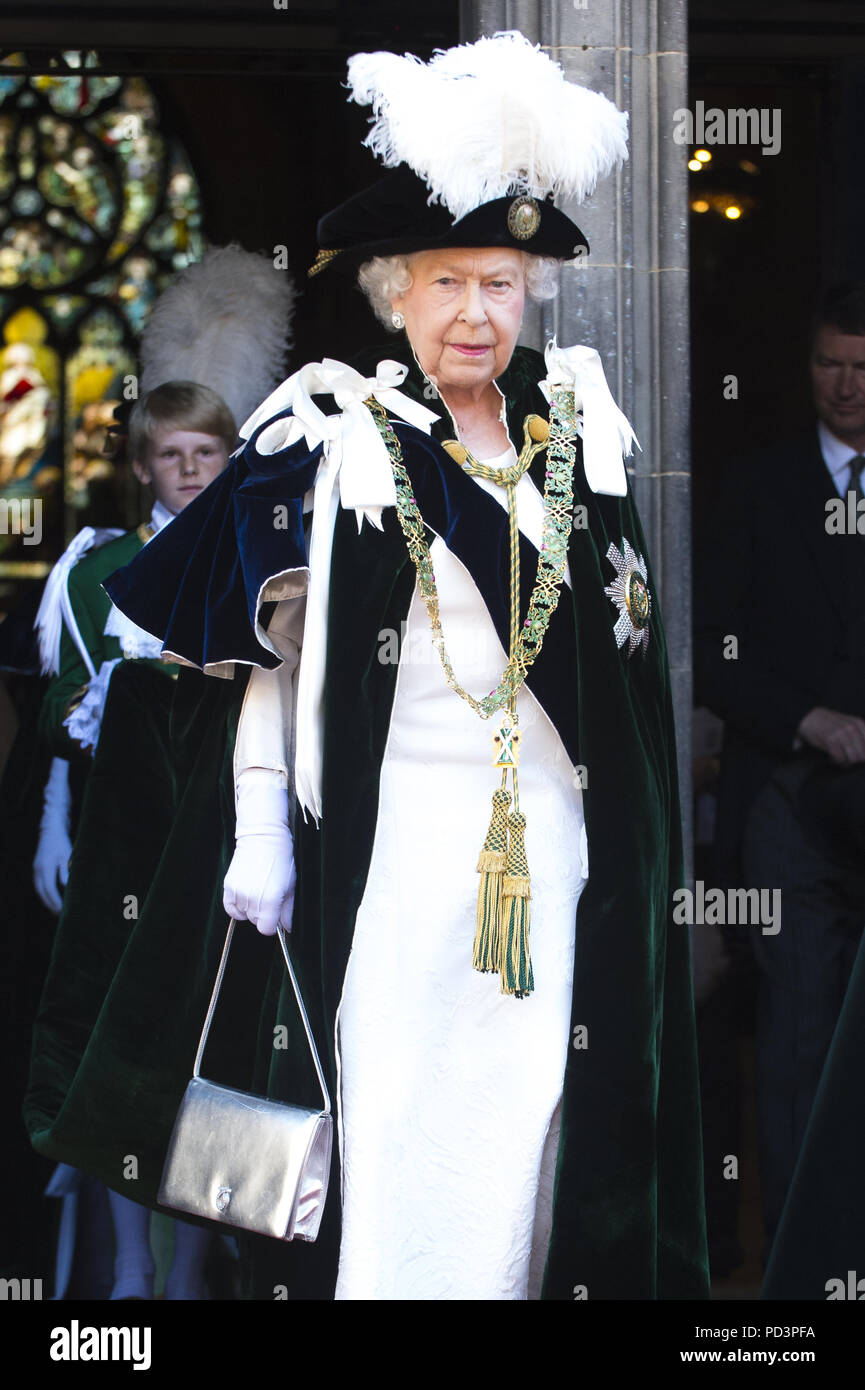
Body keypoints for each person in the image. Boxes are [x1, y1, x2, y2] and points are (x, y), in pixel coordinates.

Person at [56, 32, 706, 1301]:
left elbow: (622, 673)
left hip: (554, 847)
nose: (479, 314)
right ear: (395, 291)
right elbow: (268, 670)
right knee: (399, 1115)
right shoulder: (332, 436)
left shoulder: (581, 427)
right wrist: (259, 835)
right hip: (397, 847)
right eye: (451, 282)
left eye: (503, 284)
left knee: (539, 1120)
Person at [694, 280, 865, 1254]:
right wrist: (808, 717)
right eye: (826, 364)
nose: (842, 385)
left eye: (859, 367)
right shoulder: (757, 488)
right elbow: (714, 646)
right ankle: (808, 1264)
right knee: (796, 1042)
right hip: (787, 807)